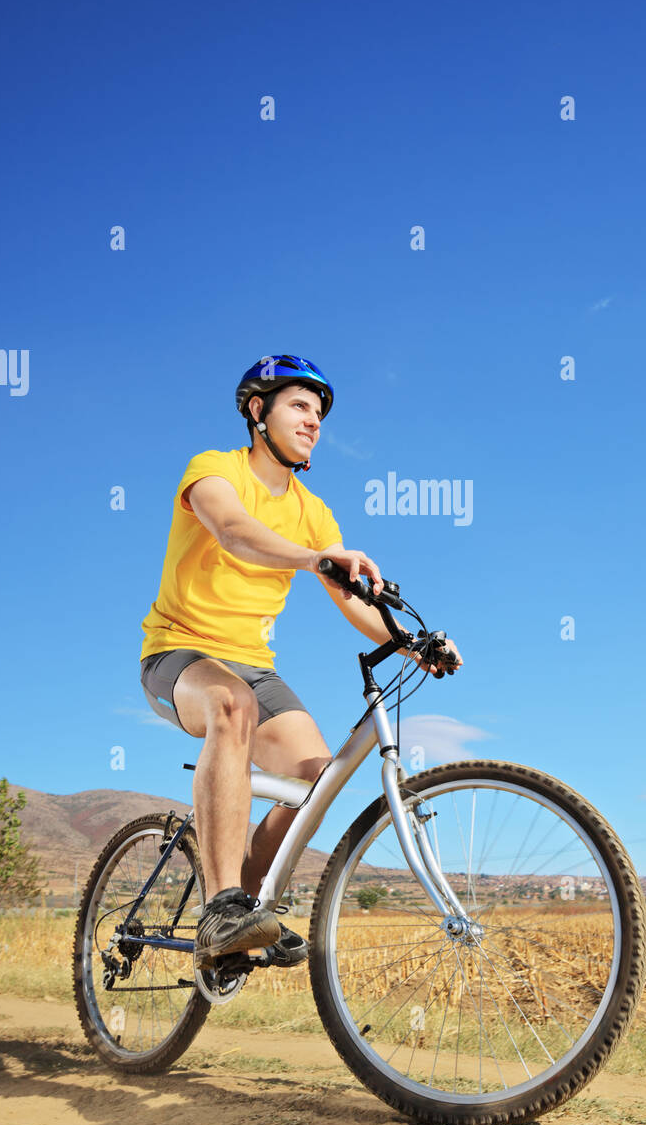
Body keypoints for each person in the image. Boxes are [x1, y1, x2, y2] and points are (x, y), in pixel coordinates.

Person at [139, 355, 463, 971]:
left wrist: (412, 641)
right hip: (179, 654)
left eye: (319, 413)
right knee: (230, 706)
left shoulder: (314, 512)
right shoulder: (215, 470)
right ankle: (221, 907)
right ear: (258, 411)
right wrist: (315, 559)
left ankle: (247, 910)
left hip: (254, 666)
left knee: (320, 776)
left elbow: (353, 599)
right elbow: (234, 530)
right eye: (298, 406)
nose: (313, 421)